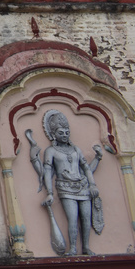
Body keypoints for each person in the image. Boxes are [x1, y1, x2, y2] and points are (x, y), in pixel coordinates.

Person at [41, 109, 99, 255]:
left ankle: (85, 247)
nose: (65, 135)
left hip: (82, 186)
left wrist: (92, 184)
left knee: (86, 218)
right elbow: (47, 172)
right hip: (65, 187)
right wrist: (49, 193)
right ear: (54, 134)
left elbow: (86, 168)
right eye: (61, 133)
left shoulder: (76, 149)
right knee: (73, 218)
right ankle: (73, 247)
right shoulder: (51, 151)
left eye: (67, 132)